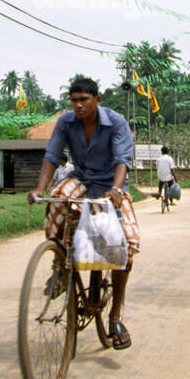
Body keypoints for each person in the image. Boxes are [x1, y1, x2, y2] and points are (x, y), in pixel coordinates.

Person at [29, 77, 139, 350]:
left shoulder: (115, 123)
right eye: (74, 100)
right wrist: (39, 189)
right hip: (82, 178)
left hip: (109, 182)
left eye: (84, 100)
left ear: (97, 100)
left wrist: (116, 189)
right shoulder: (66, 122)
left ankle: (115, 318)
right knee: (57, 201)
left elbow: (122, 160)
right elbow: (52, 156)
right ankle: (60, 267)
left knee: (126, 242)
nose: (78, 105)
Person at [155, 145, 175, 212]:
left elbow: (157, 168)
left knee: (161, 182)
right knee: (171, 186)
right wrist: (175, 177)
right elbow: (172, 170)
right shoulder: (170, 159)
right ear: (168, 151)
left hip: (161, 176)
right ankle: (171, 201)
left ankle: (159, 192)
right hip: (168, 177)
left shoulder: (158, 159)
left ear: (161, 152)